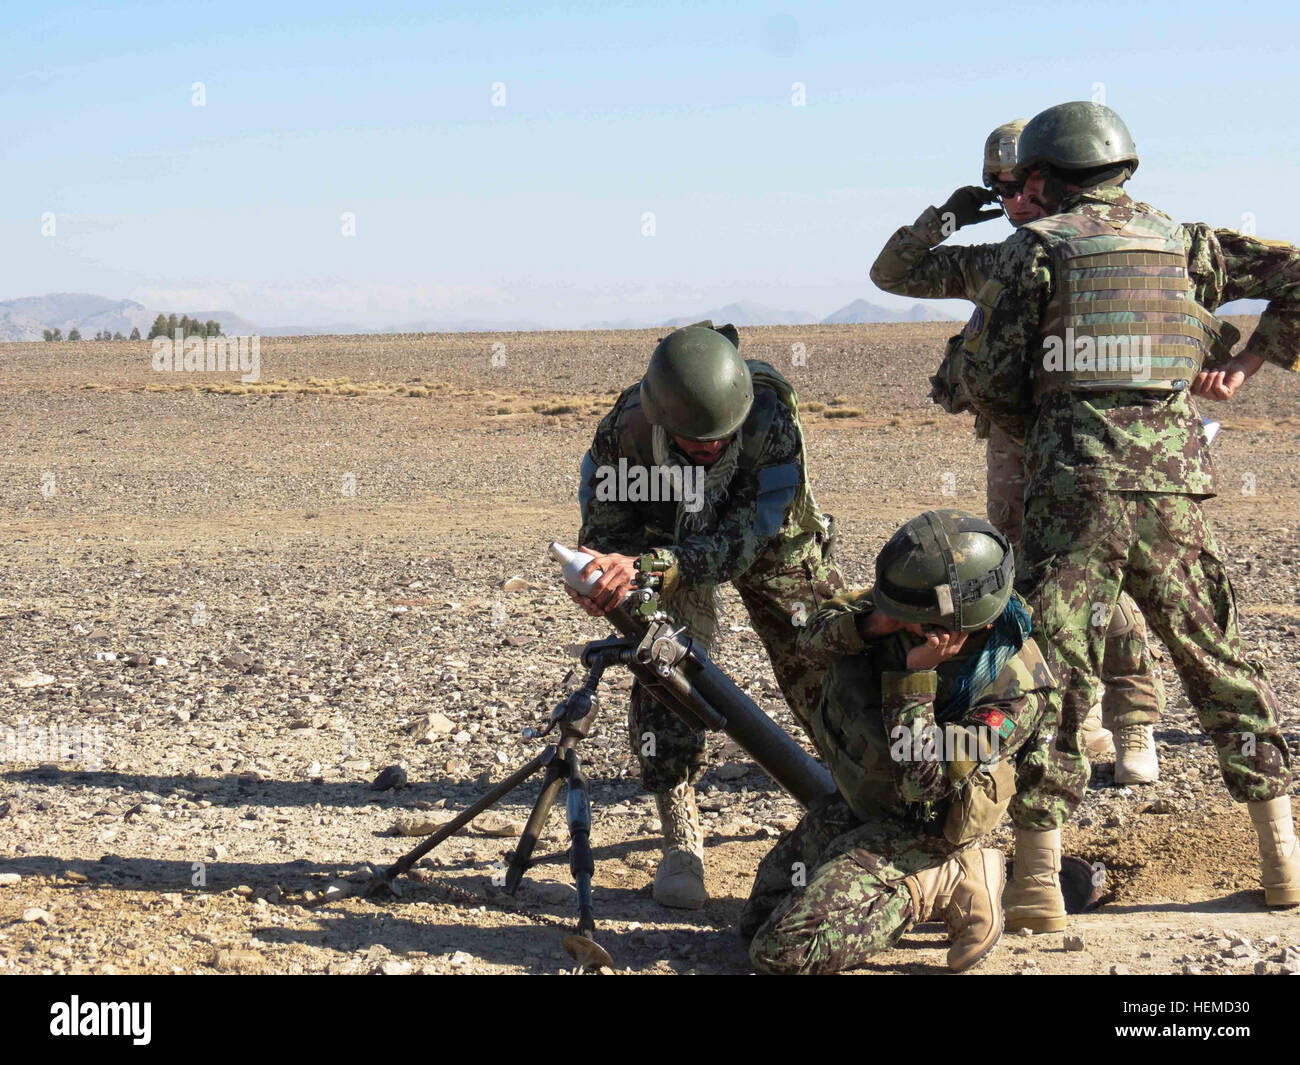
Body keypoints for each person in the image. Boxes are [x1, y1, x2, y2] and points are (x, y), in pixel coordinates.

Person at [959, 100, 1300, 931]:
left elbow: (990, 375)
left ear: (1043, 176)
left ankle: (1039, 881)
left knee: (1053, 674)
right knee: (1215, 662)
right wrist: (1251, 361)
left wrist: (1038, 424)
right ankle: (1282, 856)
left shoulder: (1036, 249)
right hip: (1177, 490)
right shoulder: (1187, 242)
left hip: (1075, 486)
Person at [871, 119, 1166, 783]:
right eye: (1000, 186)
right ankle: (1066, 719)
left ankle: (1134, 718)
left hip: (1096, 446)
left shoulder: (1103, 250)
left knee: (1109, 581)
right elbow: (892, 274)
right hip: (1016, 451)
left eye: (1026, 182)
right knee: (1021, 583)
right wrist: (945, 216)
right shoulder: (997, 260)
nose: (1016, 197)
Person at [571, 321, 844, 908]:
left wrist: (664, 565)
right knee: (662, 665)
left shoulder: (769, 416)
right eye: (697, 442)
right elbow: (604, 534)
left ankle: (859, 802)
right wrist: (605, 580)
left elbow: (746, 538)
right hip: (663, 540)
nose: (712, 449)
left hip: (771, 543)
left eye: (722, 438)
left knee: (829, 659)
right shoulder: (627, 432)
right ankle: (679, 831)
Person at [741, 509, 1054, 973]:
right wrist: (869, 626)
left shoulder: (1012, 689)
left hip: (923, 826)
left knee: (781, 953)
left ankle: (938, 882)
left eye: (912, 619)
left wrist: (917, 678)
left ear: (955, 621)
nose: (903, 623)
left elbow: (922, 784)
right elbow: (807, 644)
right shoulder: (907, 605)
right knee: (756, 919)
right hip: (864, 802)